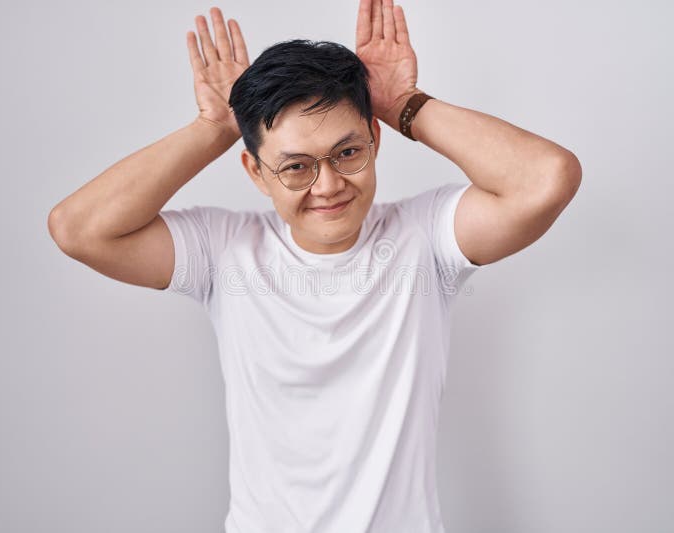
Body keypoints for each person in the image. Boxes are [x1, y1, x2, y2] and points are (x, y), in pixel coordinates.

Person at [47, 1, 581, 531]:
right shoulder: (223, 252)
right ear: (256, 173)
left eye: (348, 153)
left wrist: (402, 103)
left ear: (375, 142)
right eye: (296, 167)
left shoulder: (425, 239)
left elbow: (547, 178)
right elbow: (79, 228)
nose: (327, 185)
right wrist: (216, 126)